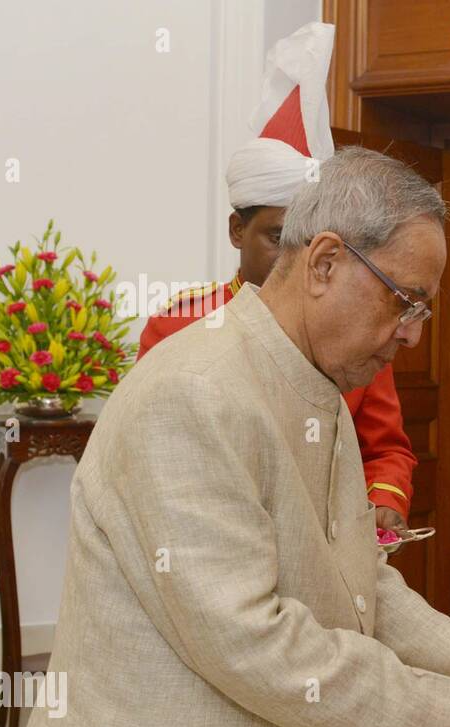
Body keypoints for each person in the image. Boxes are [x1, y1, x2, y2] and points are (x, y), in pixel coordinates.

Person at [0, 146, 450, 727]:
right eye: (403, 299)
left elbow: (355, 572)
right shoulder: (194, 391)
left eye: (424, 308)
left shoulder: (317, 384)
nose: (414, 331)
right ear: (324, 263)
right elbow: (247, 636)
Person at [139, 23, 417, 534]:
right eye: (277, 237)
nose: (296, 258)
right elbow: (150, 459)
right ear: (236, 230)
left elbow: (386, 452)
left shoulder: (357, 333)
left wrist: (384, 502)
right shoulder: (178, 326)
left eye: (309, 242)